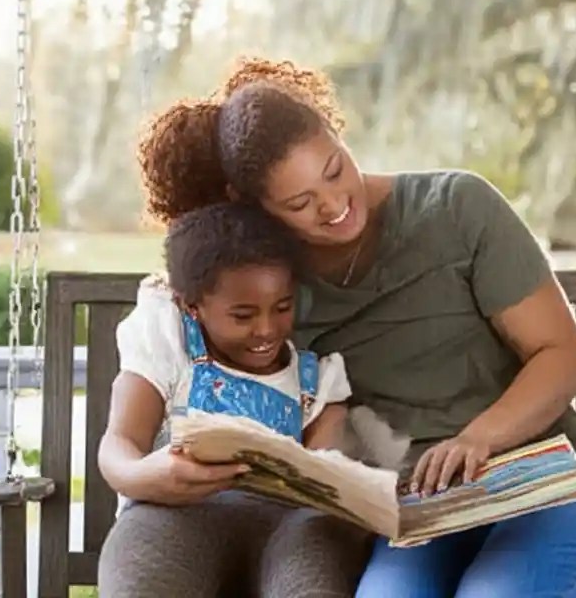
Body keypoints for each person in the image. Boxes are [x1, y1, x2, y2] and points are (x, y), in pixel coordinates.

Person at [129, 56, 576, 598]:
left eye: (335, 170)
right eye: (301, 203)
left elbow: (561, 354)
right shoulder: (276, 287)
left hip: (552, 491)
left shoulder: (456, 208)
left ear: (337, 133)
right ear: (257, 208)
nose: (334, 205)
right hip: (421, 517)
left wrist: (478, 438)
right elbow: (194, 323)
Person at [97, 201, 371, 597]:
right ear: (193, 307)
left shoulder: (318, 379)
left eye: (283, 307)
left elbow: (324, 477)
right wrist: (145, 477)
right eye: (243, 316)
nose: (266, 330)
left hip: (286, 525)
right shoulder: (170, 341)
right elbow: (119, 442)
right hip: (175, 510)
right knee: (142, 571)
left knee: (313, 571)